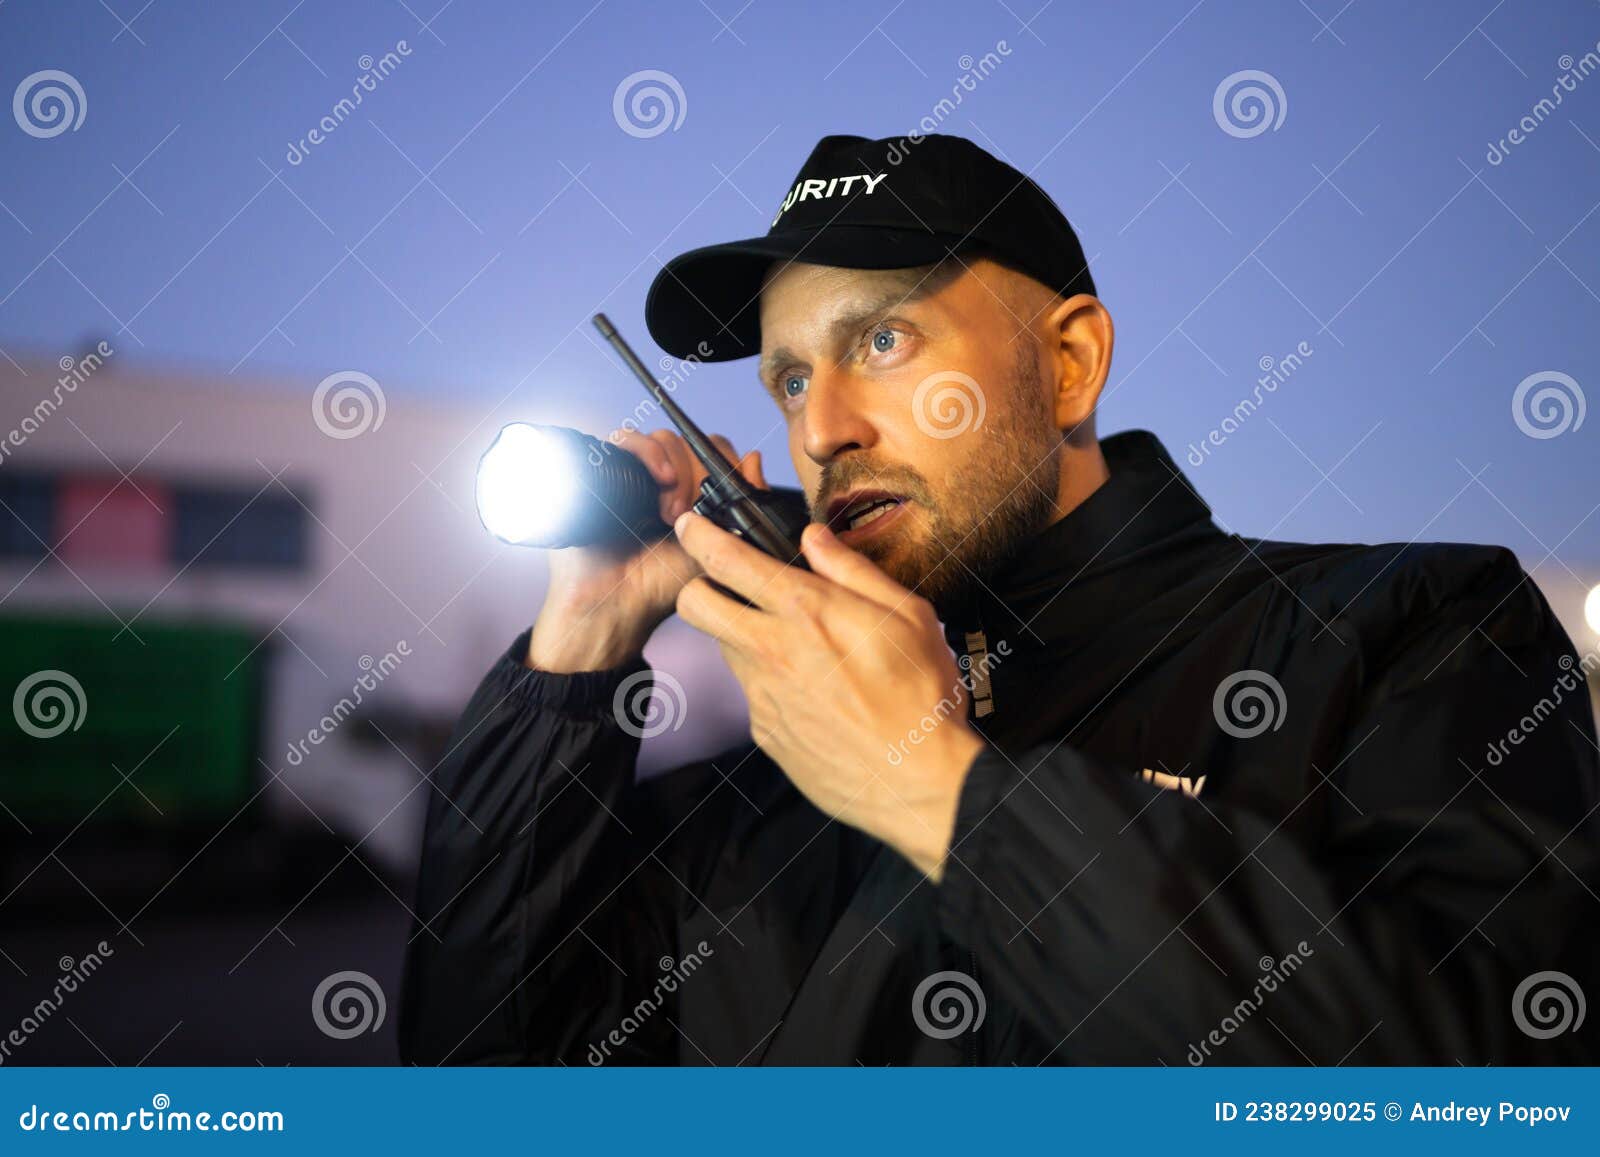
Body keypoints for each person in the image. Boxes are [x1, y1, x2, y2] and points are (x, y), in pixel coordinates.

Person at [398, 134, 1600, 1065]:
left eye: (882, 343)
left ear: (1068, 360)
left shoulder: (1407, 630)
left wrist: (937, 792)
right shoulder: (756, 795)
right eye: (790, 378)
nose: (822, 429)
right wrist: (571, 676)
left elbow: (1498, 1074)